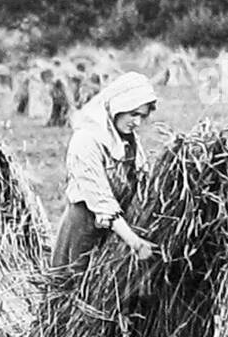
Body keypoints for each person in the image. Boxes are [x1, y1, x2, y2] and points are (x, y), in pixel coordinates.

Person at [51, 71, 159, 272]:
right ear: (118, 106)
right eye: (133, 113)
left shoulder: (129, 141)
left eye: (142, 116)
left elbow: (144, 180)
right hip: (84, 226)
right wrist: (135, 242)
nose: (137, 122)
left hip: (117, 227)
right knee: (74, 284)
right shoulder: (86, 140)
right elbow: (101, 201)